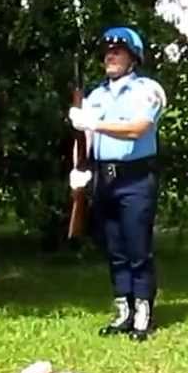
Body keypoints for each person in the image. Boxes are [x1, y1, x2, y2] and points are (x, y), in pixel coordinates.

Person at [69, 26, 166, 342]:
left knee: (138, 247)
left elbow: (138, 128)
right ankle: (123, 309)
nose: (110, 57)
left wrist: (94, 123)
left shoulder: (147, 90)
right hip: (103, 176)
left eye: (118, 52)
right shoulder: (96, 96)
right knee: (114, 248)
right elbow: (84, 138)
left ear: (132, 58)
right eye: (107, 53)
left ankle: (143, 312)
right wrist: (78, 170)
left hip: (135, 177)